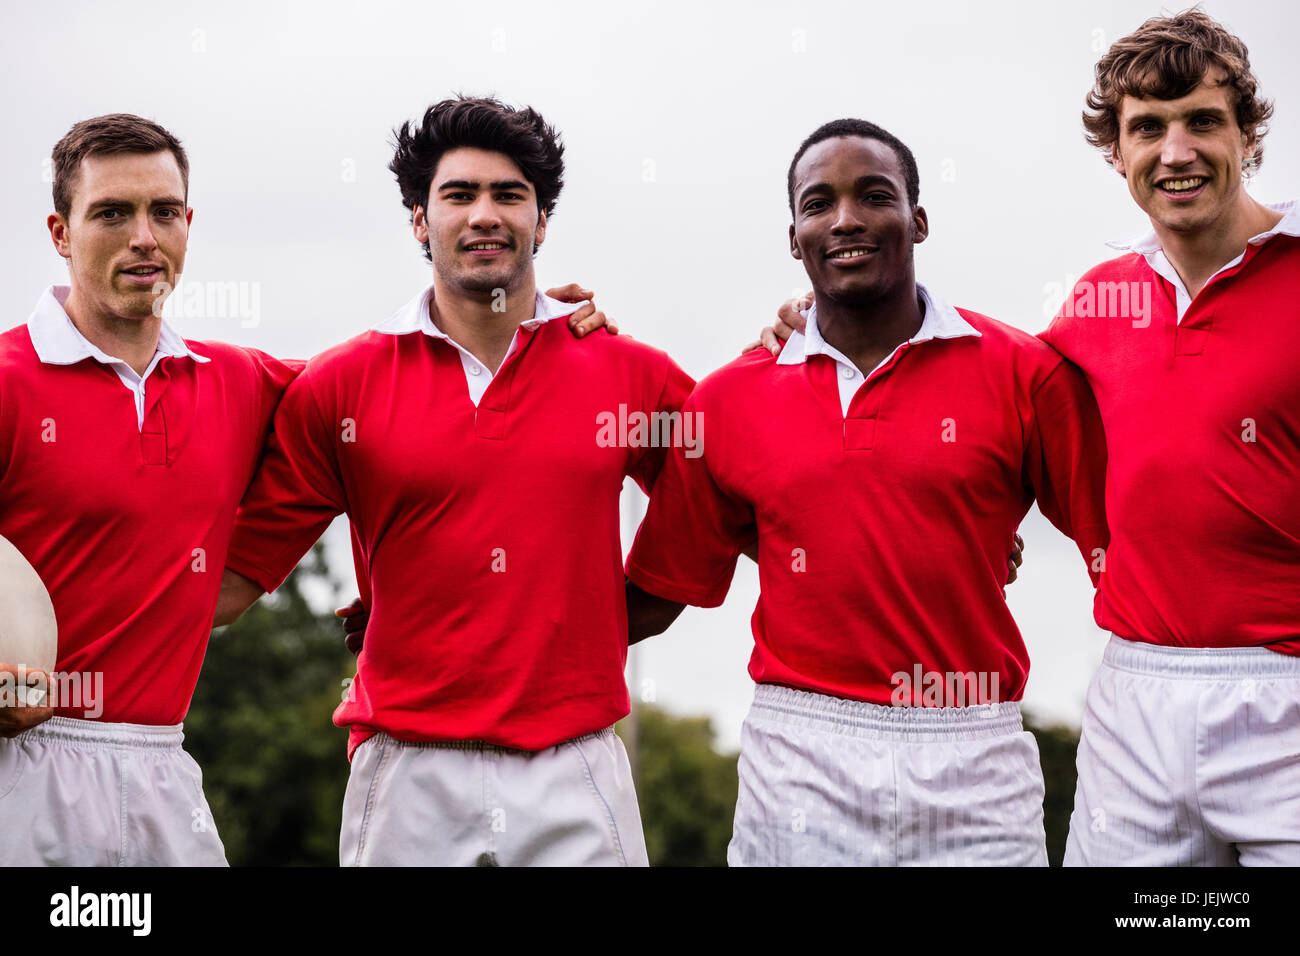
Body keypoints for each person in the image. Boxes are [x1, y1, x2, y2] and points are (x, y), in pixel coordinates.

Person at [0, 112, 610, 867]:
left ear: (188, 224)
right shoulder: (5, 383)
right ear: (60, 232)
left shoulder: (241, 380)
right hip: (18, 770)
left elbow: (409, 411)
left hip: (161, 765)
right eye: (112, 214)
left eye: (162, 212)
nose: (143, 238)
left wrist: (534, 325)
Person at [765, 10, 1299, 867]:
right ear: (1116, 153)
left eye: (1203, 120)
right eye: (1147, 129)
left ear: (1248, 132)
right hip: (1138, 694)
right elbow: (985, 402)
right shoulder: (1098, 301)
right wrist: (813, 326)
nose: (1176, 151)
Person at [216, 95, 693, 867]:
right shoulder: (343, 384)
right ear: (418, 219)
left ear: (541, 222)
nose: (485, 215)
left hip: (576, 765)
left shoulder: (628, 371)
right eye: (459, 194)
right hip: (406, 771)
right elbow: (231, 580)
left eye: (510, 195)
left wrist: (617, 615)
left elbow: (730, 487)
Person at [624, 119, 1109, 866]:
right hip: (799, 757)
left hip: (973, 751)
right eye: (818, 204)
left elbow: (1127, 541)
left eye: (873, 196)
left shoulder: (1023, 370)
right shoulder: (727, 400)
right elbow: (654, 595)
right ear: (794, 236)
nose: (845, 219)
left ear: (917, 219)